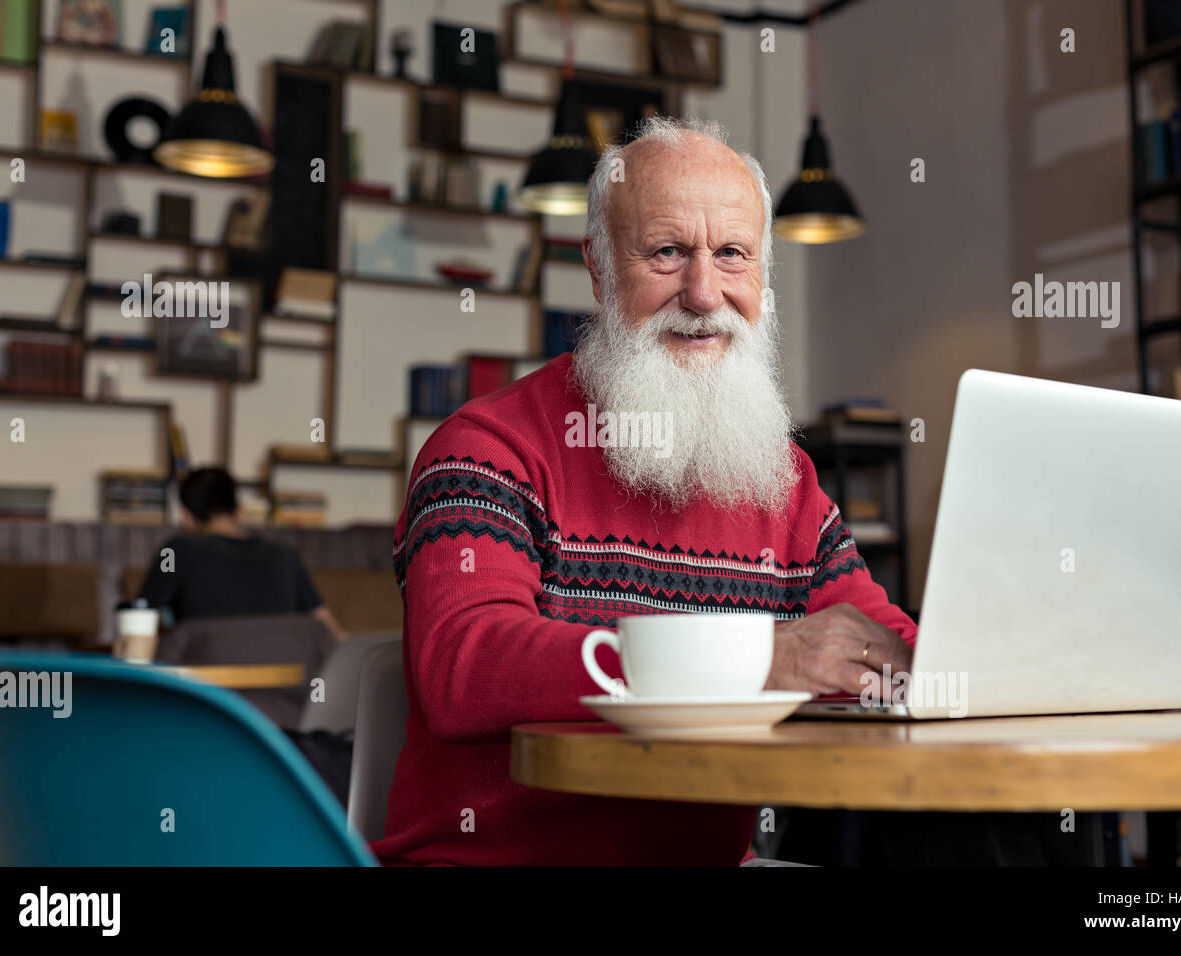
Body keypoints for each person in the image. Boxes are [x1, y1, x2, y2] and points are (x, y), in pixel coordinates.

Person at [373, 117, 915, 866]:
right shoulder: (486, 449)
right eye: (666, 252)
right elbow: (465, 670)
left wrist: (999, 655)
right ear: (598, 267)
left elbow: (886, 646)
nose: (702, 293)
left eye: (731, 254)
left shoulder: (786, 481)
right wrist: (754, 659)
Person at [137, 467, 345, 640]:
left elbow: (138, 624)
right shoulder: (286, 556)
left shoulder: (175, 552)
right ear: (239, 509)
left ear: (187, 517)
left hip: (205, 686)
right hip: (283, 685)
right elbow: (329, 632)